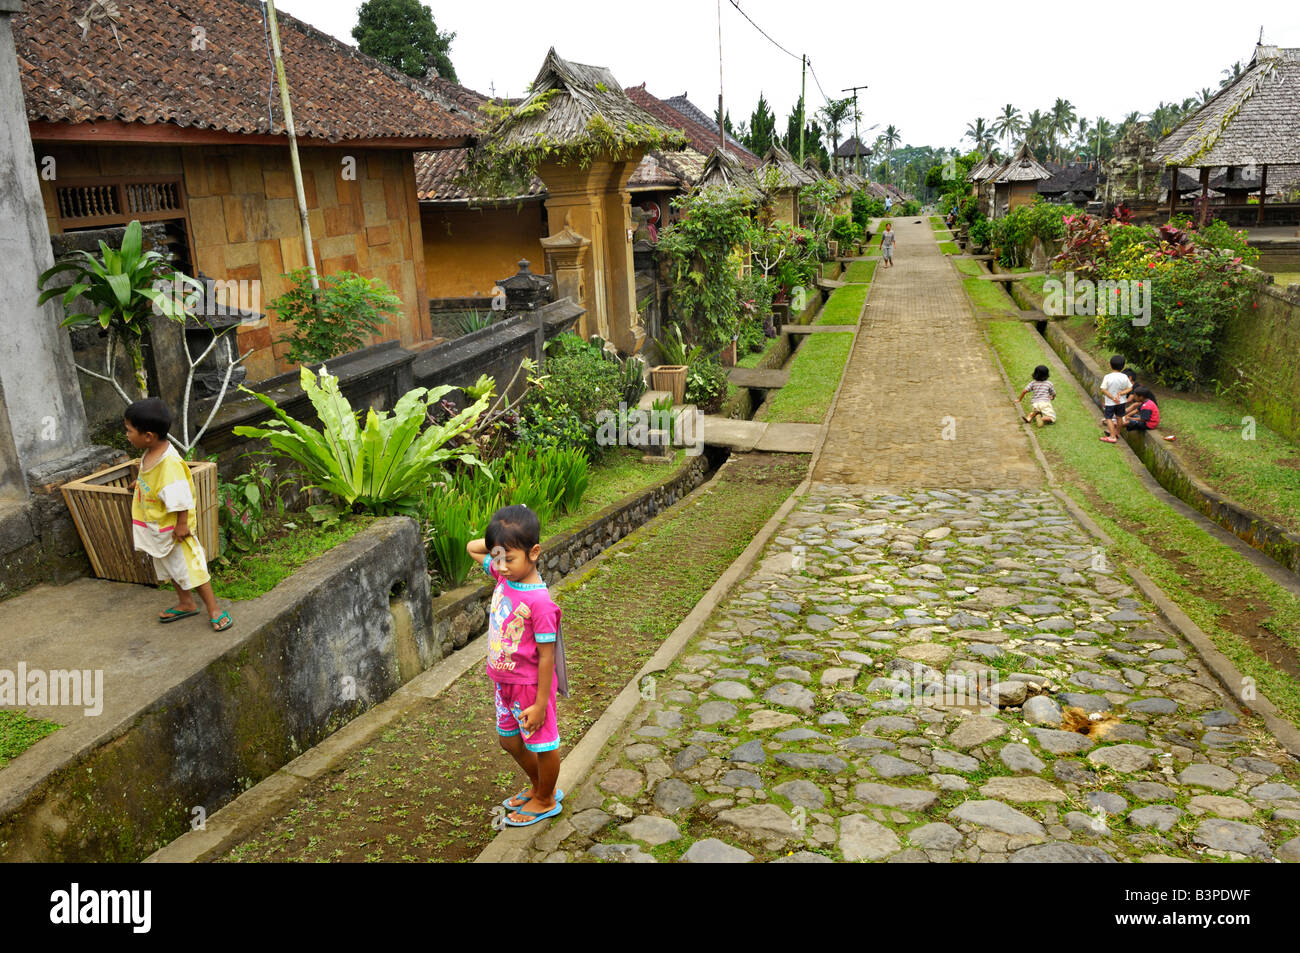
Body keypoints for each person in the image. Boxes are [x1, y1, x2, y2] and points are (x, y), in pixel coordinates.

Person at [467, 505, 566, 827]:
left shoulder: (540, 602)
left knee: (542, 742)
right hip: (503, 683)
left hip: (529, 686)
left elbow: (547, 655)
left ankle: (546, 798)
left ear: (534, 552)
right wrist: (498, 536)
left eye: (509, 558)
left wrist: (540, 704)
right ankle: (539, 785)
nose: (502, 566)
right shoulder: (502, 572)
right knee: (509, 741)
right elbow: (472, 547)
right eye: (497, 557)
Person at [124, 398, 231, 631]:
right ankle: (186, 602)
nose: (127, 435)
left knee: (192, 568)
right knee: (171, 567)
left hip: (175, 531)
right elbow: (155, 482)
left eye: (129, 430)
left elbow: (180, 497)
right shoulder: (151, 453)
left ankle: (214, 608)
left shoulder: (169, 463)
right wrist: (140, 484)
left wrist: (182, 524)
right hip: (158, 527)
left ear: (148, 435)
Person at [1099, 354, 1132, 443]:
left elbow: (1103, 389)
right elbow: (1130, 388)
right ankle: (1117, 433)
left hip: (1110, 402)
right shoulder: (1124, 376)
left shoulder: (1108, 377)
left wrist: (1112, 397)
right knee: (1119, 417)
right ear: (1123, 366)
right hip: (1121, 402)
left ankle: (1112, 436)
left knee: (1108, 417)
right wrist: (1121, 393)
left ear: (1110, 365)